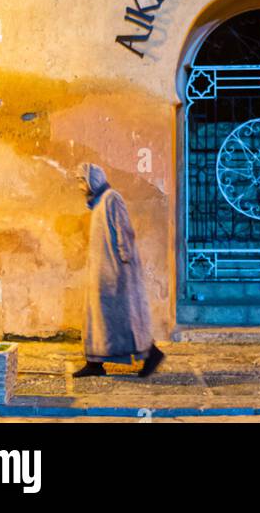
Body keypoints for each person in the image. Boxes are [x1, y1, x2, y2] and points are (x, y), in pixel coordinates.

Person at [73, 162, 164, 378]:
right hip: (101, 274)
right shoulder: (97, 203)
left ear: (92, 179)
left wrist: (124, 265)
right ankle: (95, 363)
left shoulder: (112, 198)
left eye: (81, 180)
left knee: (123, 320)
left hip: (116, 273)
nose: (79, 186)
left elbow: (124, 232)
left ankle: (151, 354)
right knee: (98, 319)